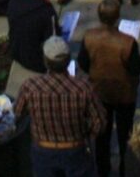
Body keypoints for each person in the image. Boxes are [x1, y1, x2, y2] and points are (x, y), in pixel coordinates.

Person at [19, 34, 107, 177]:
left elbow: (18, 114)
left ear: (46, 61)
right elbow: (100, 123)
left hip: (43, 150)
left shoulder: (30, 87)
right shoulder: (83, 88)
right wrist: (86, 135)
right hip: (75, 150)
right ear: (68, 61)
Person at [79, 0, 140, 177]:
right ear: (118, 17)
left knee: (102, 134)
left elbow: (83, 63)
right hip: (125, 93)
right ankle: (126, 169)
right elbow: (137, 68)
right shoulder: (127, 42)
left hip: (100, 91)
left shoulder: (89, 37)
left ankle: (103, 169)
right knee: (126, 133)